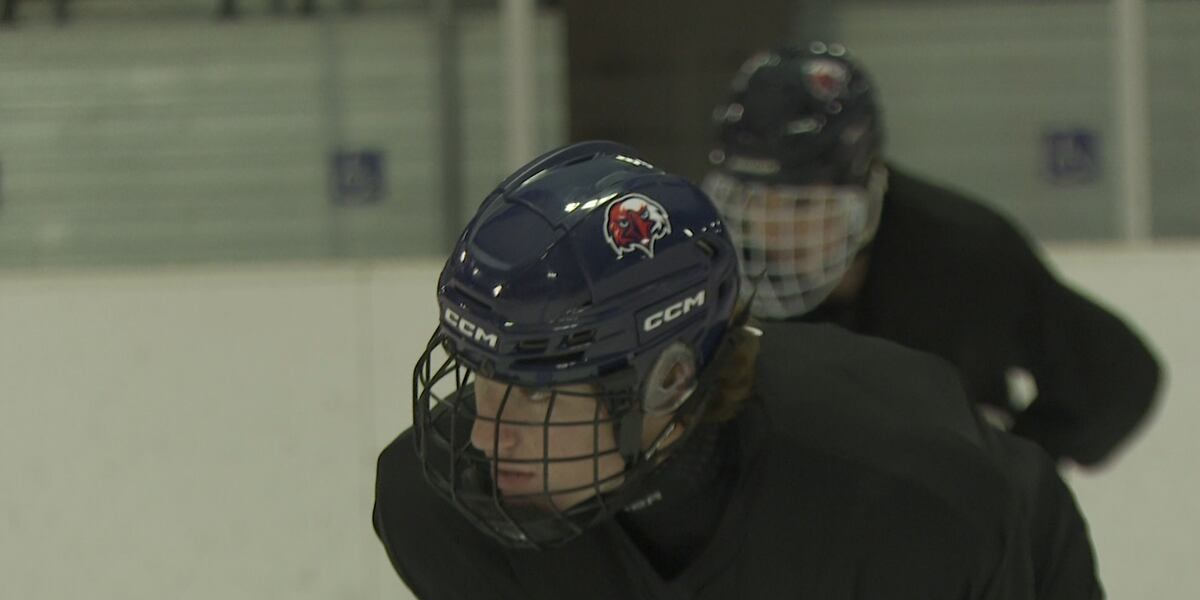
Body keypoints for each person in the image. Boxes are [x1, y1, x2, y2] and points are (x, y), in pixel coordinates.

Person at [374, 140, 1041, 599]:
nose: (484, 437)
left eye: (536, 396)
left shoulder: (908, 503)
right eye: (481, 381)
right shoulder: (435, 512)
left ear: (667, 382)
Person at [702, 41, 1161, 469]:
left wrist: (1012, 468)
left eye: (803, 206)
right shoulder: (701, 272)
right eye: (755, 203)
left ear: (869, 187)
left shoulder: (963, 254)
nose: (774, 232)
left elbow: (1116, 380)